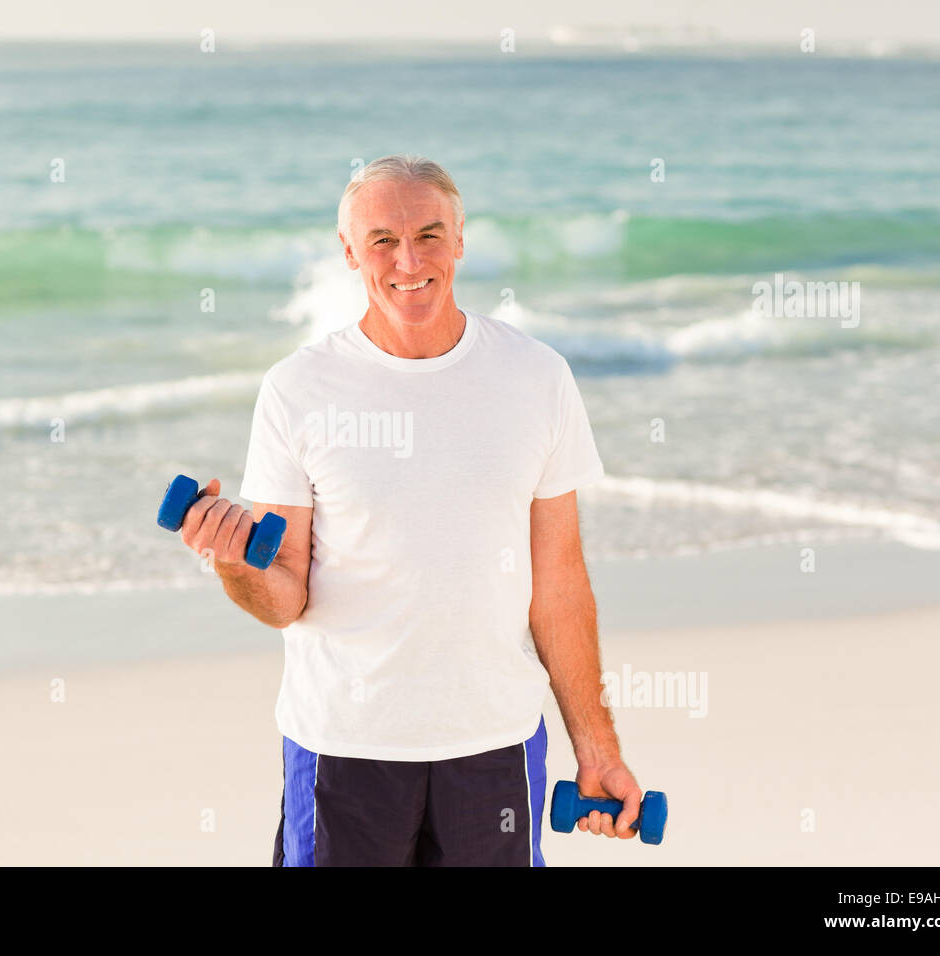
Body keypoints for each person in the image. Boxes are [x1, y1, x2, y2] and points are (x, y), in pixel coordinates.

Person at [178, 154, 642, 866]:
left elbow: (560, 587)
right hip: (344, 749)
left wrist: (598, 747)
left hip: (496, 746)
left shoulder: (537, 377)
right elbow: (284, 598)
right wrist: (234, 563)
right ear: (348, 252)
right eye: (382, 242)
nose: (408, 261)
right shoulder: (298, 389)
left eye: (429, 236)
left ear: (460, 239)